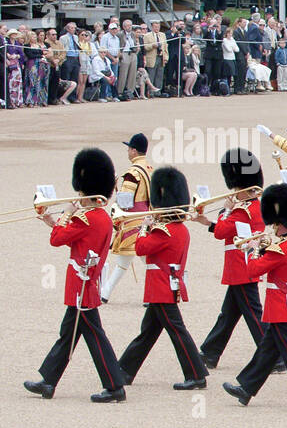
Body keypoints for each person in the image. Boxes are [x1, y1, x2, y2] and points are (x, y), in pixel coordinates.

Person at [24, 149, 127, 403]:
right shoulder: (98, 217)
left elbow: (57, 239)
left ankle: (115, 386)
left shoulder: (85, 219)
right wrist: (51, 218)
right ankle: (48, 381)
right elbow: (69, 235)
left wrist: (67, 214)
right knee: (68, 334)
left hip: (81, 286)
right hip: (86, 284)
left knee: (95, 337)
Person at [222, 184, 287, 412]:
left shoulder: (281, 249)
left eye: (274, 224)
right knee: (268, 349)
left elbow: (252, 270)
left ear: (280, 224)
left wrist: (252, 249)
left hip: (280, 305)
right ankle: (247, 387)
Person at [116, 167, 208, 391]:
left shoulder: (164, 231)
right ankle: (124, 370)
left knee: (177, 331)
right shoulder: (178, 229)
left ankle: (196, 374)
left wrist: (145, 227)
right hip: (165, 284)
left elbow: (140, 248)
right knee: (147, 333)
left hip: (161, 287)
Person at [196, 149, 266, 368]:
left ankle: (275, 356)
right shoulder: (251, 206)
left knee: (254, 316)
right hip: (240, 265)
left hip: (241, 266)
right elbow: (224, 231)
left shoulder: (243, 209)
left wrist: (225, 210)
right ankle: (210, 352)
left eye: (237, 188)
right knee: (228, 315)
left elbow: (222, 231)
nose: (234, 192)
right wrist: (206, 222)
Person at [101, 132, 153, 302]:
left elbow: (125, 200)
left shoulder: (132, 172)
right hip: (147, 214)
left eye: (129, 148)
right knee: (125, 259)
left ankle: (151, 296)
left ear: (134, 150)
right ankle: (105, 292)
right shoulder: (149, 168)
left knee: (146, 259)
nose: (128, 152)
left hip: (133, 218)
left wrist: (116, 193)